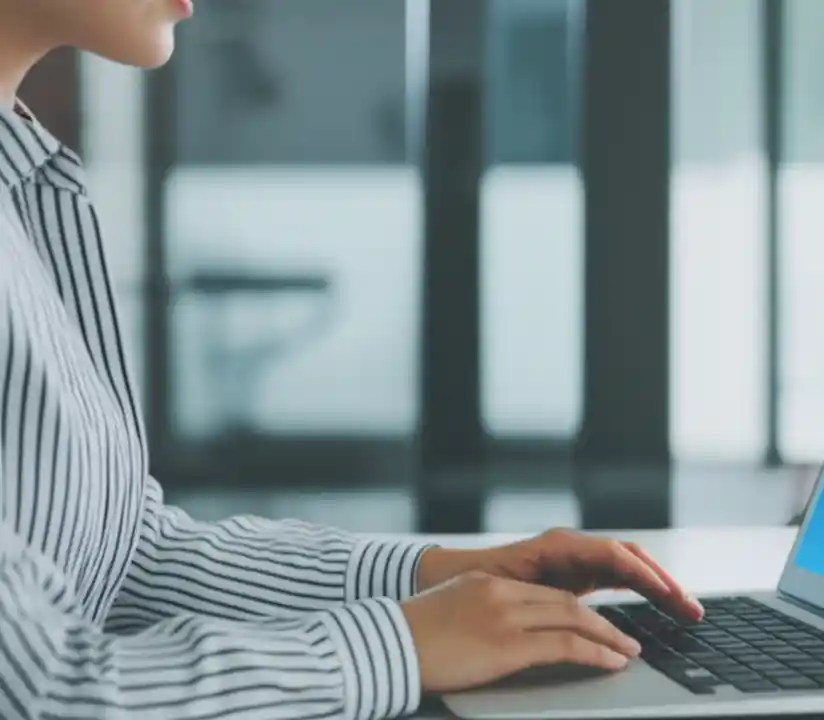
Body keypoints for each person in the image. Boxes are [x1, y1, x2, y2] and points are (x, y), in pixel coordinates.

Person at [0, 1, 702, 718]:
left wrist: (439, 580)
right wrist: (399, 645)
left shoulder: (23, 183)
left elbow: (128, 565)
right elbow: (42, 693)